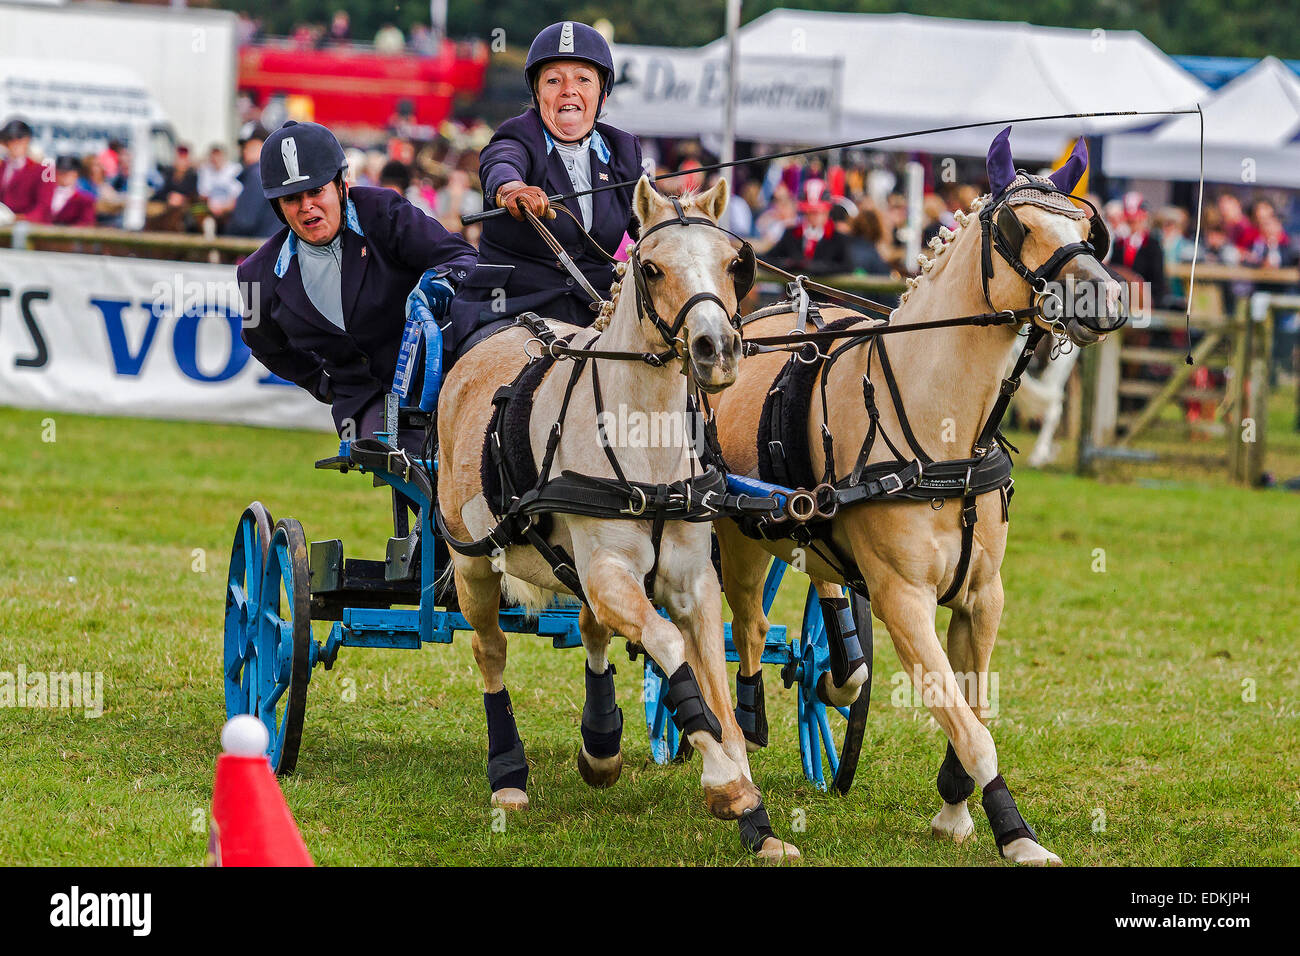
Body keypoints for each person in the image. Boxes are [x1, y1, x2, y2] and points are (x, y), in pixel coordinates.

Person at [237, 121, 478, 446]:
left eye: (316, 191)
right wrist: (322, 382)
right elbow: (260, 341)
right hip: (363, 402)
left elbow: (461, 257)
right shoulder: (255, 275)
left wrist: (438, 284)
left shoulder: (384, 212)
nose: (306, 206)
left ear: (340, 185)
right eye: (291, 198)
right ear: (278, 207)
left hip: (440, 372)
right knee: (408, 455)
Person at [444, 21, 643, 368]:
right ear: (537, 94)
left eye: (582, 79)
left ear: (602, 95)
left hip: (594, 316)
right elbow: (501, 163)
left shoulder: (624, 150)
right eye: (554, 80)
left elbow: (651, 217)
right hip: (511, 311)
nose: (568, 90)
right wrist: (513, 189)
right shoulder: (517, 135)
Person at [764, 178, 852, 276]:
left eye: (819, 211)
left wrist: (816, 267)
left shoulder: (838, 239)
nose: (815, 215)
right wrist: (789, 264)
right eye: (810, 211)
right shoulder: (791, 234)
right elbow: (769, 260)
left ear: (827, 210)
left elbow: (847, 267)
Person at [221, 122, 282, 238]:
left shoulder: (257, 174)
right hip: (273, 246)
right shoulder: (273, 171)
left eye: (250, 146)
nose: (244, 151)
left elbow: (244, 222)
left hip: (259, 248)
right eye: (243, 147)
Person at [0, 119, 52, 222]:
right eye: (9, 139)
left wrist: (18, 219)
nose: (14, 143)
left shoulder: (44, 170)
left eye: (19, 139)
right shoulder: (2, 167)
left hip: (30, 228)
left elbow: (44, 207)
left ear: (27, 141)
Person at [44, 156, 96, 226]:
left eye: (68, 173)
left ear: (76, 174)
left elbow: (86, 223)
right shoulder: (45, 195)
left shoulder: (85, 200)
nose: (64, 176)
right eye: (61, 173)